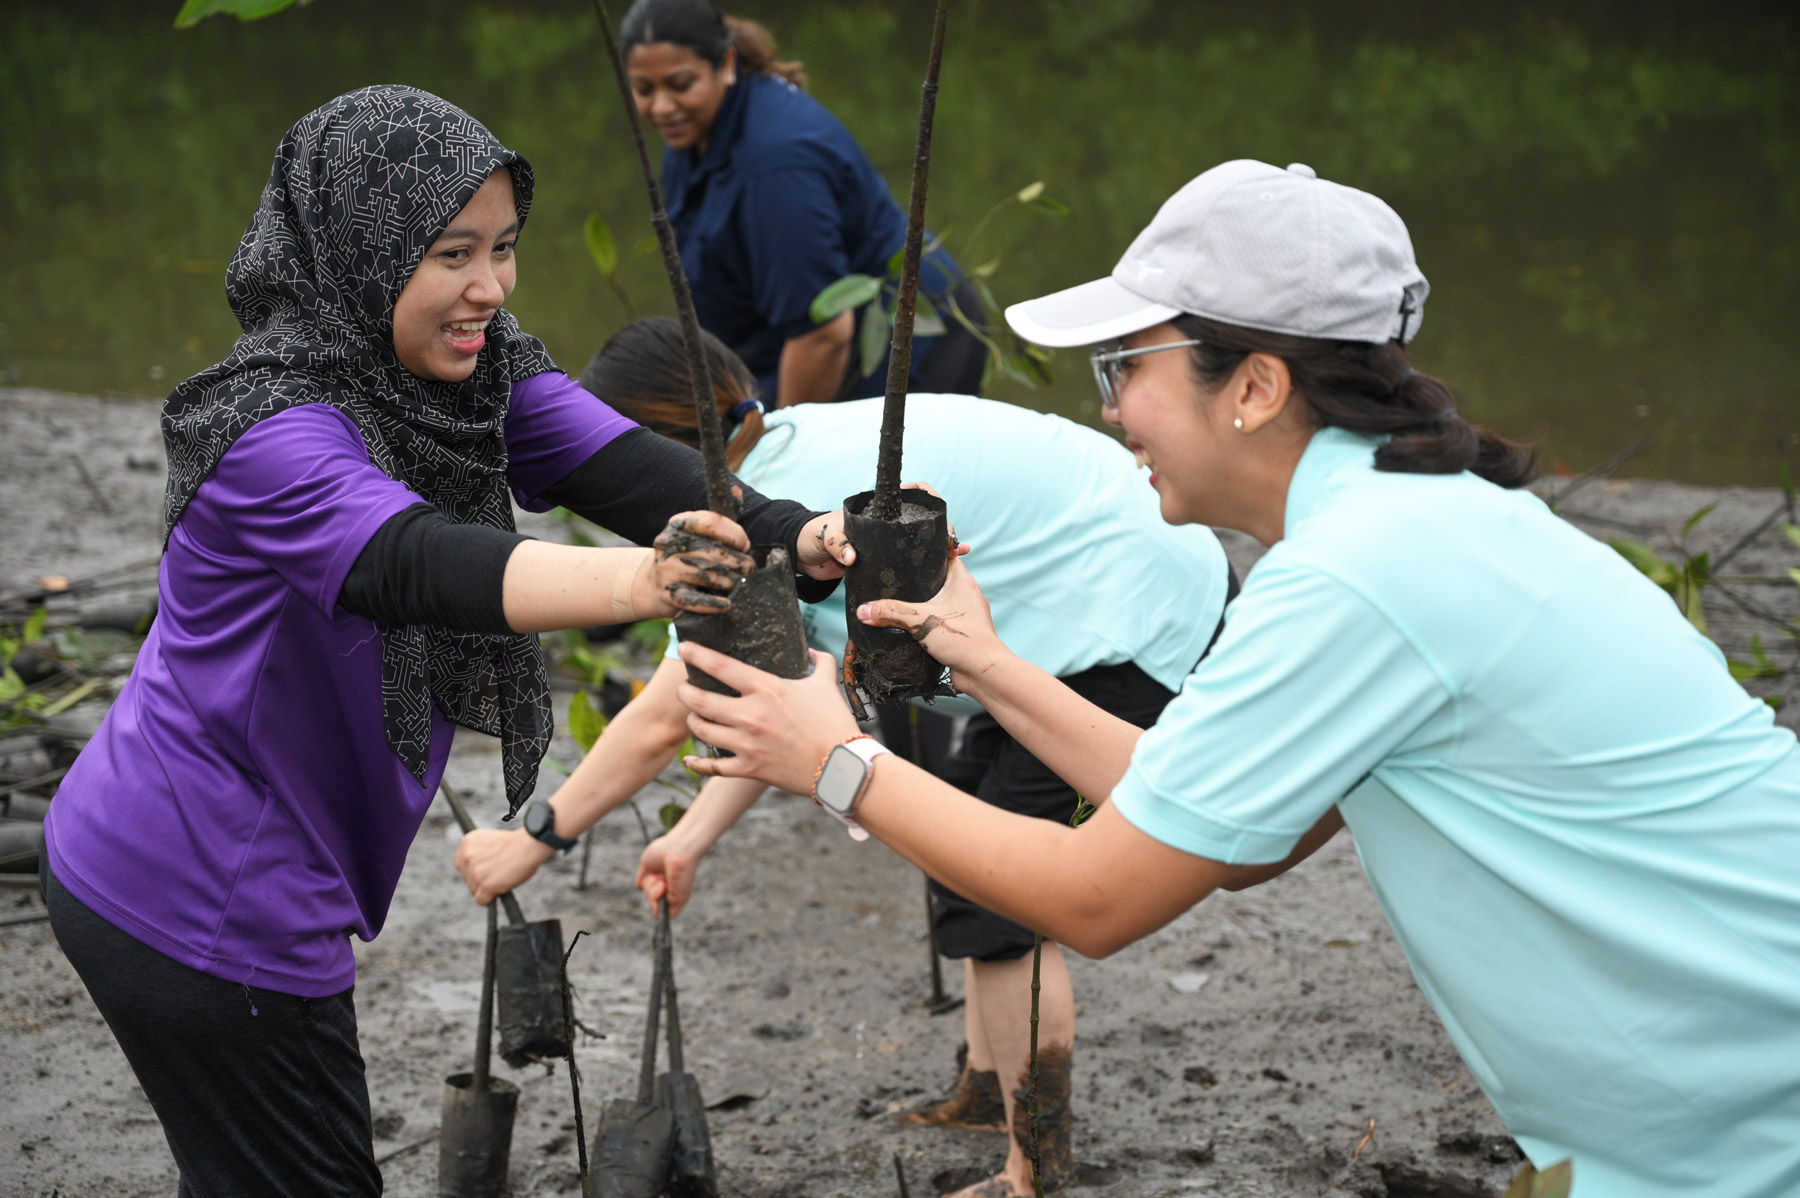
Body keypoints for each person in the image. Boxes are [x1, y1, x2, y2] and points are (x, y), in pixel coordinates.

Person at [664, 160, 1800, 1197]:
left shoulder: (1360, 578)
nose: (1108, 406)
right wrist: (989, 662)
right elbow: (1224, 825)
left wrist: (837, 761)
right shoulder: (1409, 525)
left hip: (1752, 1122)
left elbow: (1095, 898)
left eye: (1125, 366)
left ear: (1254, 385)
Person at [40, 86, 855, 1197]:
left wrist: (802, 533)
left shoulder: (468, 374)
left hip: (223, 864)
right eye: (452, 255)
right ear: (362, 251)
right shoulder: (268, 430)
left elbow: (618, 464)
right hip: (201, 893)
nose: (489, 288)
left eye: (506, 248)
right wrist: (648, 576)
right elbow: (415, 560)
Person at [454, 316, 1234, 1196]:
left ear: (661, 449)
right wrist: (692, 840)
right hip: (1057, 617)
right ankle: (987, 1087)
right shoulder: (791, 450)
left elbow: (665, 714)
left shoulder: (762, 506)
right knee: (971, 854)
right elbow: (782, 705)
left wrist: (535, 840)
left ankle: (1035, 1170)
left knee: (1008, 902)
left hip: (1128, 619)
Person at [619, 0, 987, 407]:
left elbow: (823, 334)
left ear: (725, 64)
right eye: (644, 89)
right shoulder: (693, 131)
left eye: (681, 84)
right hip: (800, 339)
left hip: (910, 337)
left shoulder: (773, 169)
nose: (662, 107)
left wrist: (778, 451)